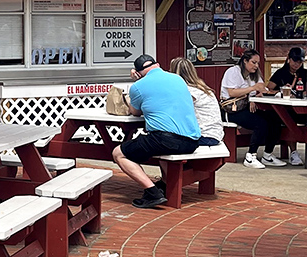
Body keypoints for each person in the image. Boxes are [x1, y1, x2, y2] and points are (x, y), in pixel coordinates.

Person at [113, 54, 201, 208]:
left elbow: (135, 112)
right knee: (156, 148)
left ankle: (152, 192)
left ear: (138, 73)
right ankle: (164, 185)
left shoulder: (138, 86)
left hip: (165, 139)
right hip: (192, 140)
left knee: (118, 153)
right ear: (158, 65)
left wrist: (137, 82)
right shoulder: (177, 79)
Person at [220, 48, 285, 169]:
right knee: (260, 123)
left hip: (248, 107)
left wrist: (259, 93)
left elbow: (261, 88)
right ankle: (250, 156)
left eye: (258, 63)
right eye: (253, 62)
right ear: (245, 61)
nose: (256, 66)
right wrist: (252, 89)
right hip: (232, 109)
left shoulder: (255, 75)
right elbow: (232, 92)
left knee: (275, 118)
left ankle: (267, 155)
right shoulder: (233, 72)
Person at [266, 46, 307, 167]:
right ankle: (293, 152)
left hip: (302, 108)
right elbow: (268, 89)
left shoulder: (304, 73)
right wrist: (282, 91)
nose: (297, 64)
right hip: (286, 109)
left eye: (299, 62)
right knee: (289, 122)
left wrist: (306, 92)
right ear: (288, 59)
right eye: (295, 61)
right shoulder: (280, 73)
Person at [169, 57, 223, 145]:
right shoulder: (202, 88)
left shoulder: (188, 91)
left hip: (204, 136)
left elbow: (177, 112)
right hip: (214, 134)